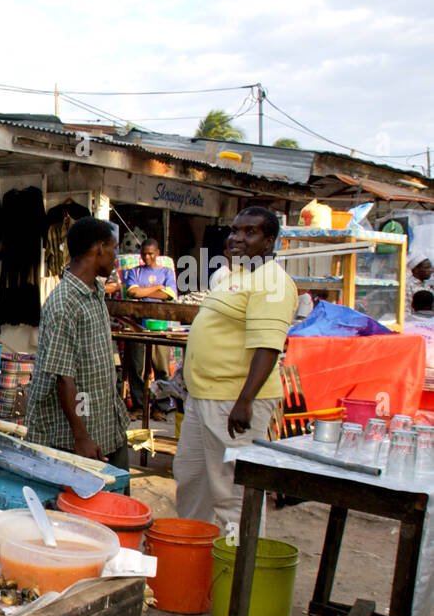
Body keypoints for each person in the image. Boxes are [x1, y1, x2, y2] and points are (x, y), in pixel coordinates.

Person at [174, 207, 297, 532]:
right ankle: (192, 559)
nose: (237, 238)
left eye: (249, 232)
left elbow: (268, 346)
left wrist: (245, 401)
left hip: (234, 401)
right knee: (192, 480)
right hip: (203, 398)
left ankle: (237, 571)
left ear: (269, 241)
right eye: (234, 230)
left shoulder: (273, 282)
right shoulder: (231, 275)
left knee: (231, 494)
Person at [26, 217, 130, 467]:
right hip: (73, 439)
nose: (115, 256)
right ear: (100, 249)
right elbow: (64, 377)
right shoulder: (64, 303)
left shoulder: (93, 293)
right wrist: (81, 436)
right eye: (114, 248)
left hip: (106, 427)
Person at [119, 239, 178, 415]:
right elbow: (132, 292)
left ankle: (161, 407)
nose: (147, 256)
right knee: (137, 368)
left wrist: (145, 290)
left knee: (161, 369)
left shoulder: (167, 272)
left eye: (151, 253)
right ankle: (139, 406)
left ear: (158, 253)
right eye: (144, 253)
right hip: (136, 325)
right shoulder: (134, 271)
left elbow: (169, 295)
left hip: (159, 326)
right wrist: (158, 288)